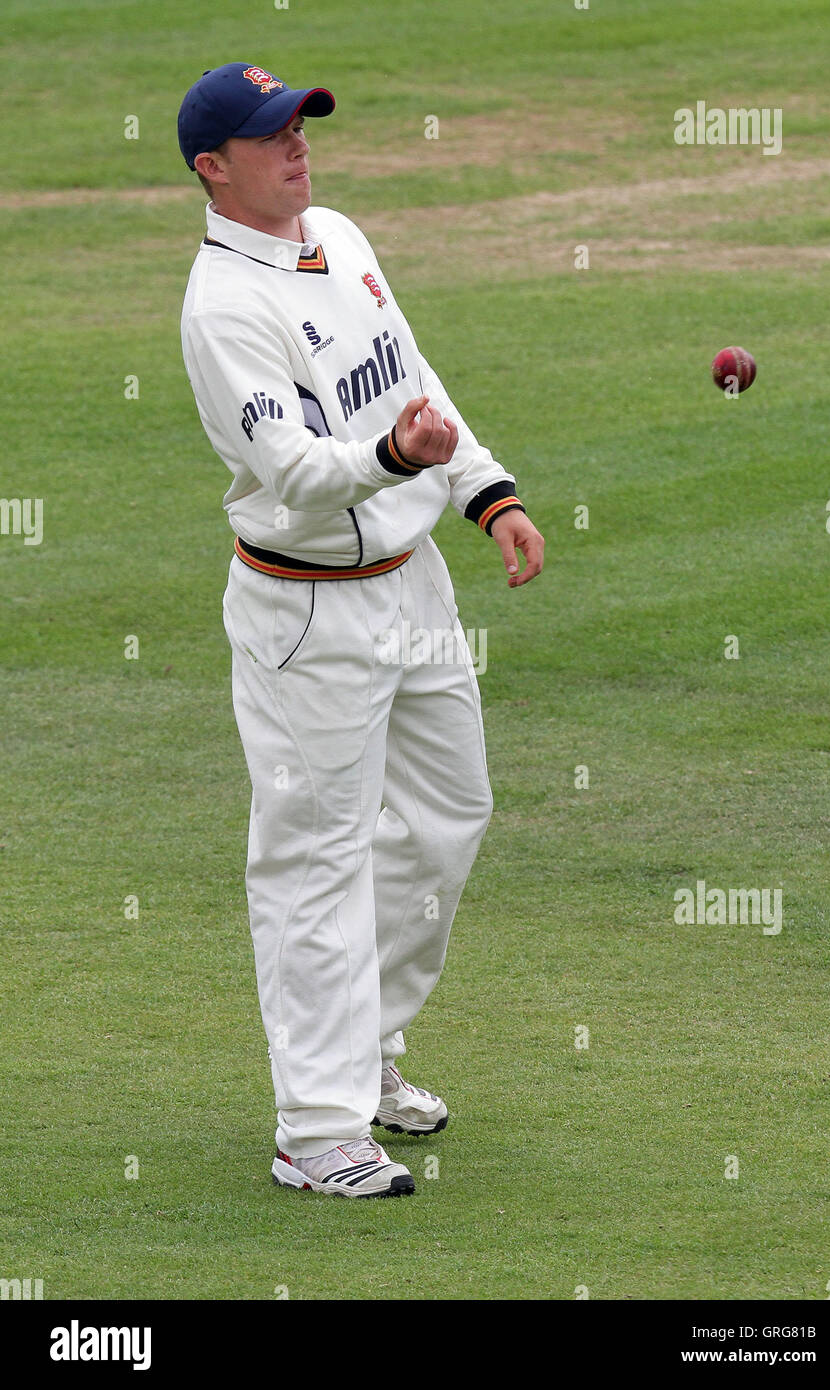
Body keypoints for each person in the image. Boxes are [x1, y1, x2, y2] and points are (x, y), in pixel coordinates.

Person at [177, 62, 545, 1198]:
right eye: (271, 136)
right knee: (311, 860)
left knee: (445, 818)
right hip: (307, 617)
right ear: (211, 167)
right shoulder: (221, 307)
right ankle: (315, 1129)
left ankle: (363, 1050)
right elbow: (289, 471)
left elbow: (412, 382)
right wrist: (394, 462)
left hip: (412, 584)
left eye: (300, 125)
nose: (297, 146)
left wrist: (485, 491)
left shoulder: (336, 232)